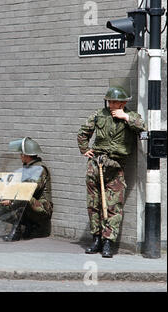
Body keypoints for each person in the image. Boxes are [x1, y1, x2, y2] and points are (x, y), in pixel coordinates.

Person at [77, 86, 146, 258]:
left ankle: (109, 242)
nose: (112, 105)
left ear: (123, 103)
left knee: (114, 205)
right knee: (94, 204)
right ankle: (96, 239)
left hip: (115, 166)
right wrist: (84, 149)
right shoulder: (99, 115)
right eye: (110, 101)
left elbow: (142, 128)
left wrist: (126, 117)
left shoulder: (132, 116)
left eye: (115, 102)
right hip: (96, 163)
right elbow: (83, 132)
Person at [0, 137, 53, 241]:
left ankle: (17, 231)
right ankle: (24, 226)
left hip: (42, 207)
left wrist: (11, 200)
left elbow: (30, 189)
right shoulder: (26, 168)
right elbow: (15, 185)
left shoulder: (40, 169)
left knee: (23, 198)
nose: (20, 156)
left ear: (27, 155)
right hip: (25, 203)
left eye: (21, 154)